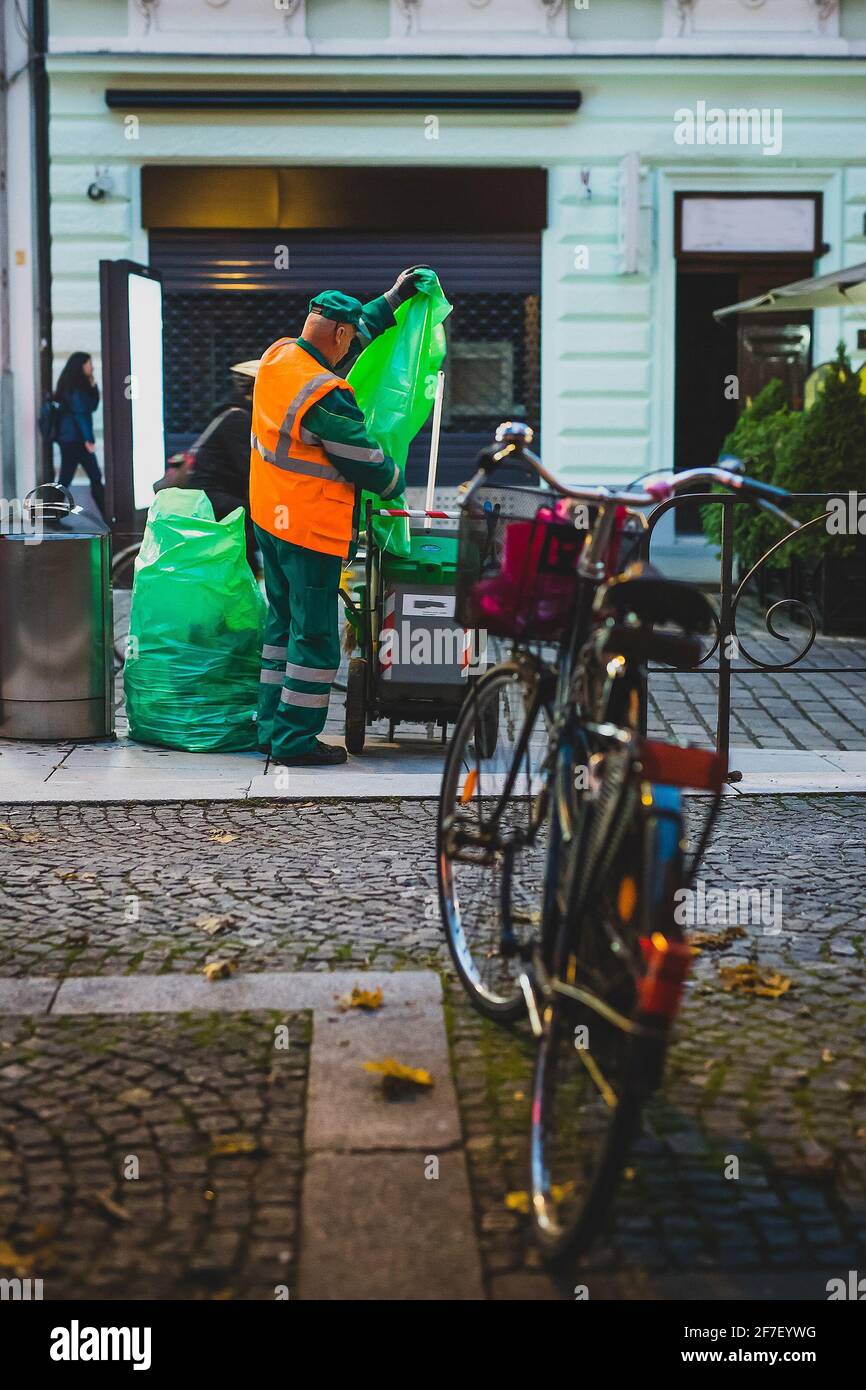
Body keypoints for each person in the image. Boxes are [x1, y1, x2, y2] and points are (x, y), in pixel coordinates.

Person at [251, 268, 425, 767]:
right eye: (349, 342)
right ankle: (295, 742)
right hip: (309, 529)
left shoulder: (279, 356)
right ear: (340, 336)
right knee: (315, 636)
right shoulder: (326, 393)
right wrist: (396, 488)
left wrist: (393, 297)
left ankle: (269, 729)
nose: (350, 352)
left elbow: (352, 328)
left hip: (270, 518)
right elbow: (364, 460)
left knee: (280, 627)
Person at [185, 360, 258, 568]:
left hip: (215, 493)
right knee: (260, 519)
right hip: (211, 495)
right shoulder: (237, 418)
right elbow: (249, 468)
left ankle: (242, 568)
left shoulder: (236, 414)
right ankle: (238, 569)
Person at [54, 352, 104, 517]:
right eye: (89, 363)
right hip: (76, 440)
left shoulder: (74, 386)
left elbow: (92, 406)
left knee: (66, 479)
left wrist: (93, 386)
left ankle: (51, 516)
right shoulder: (76, 389)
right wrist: (88, 439)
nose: (93, 366)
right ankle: (109, 516)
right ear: (81, 366)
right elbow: (82, 414)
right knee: (91, 476)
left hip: (70, 439)